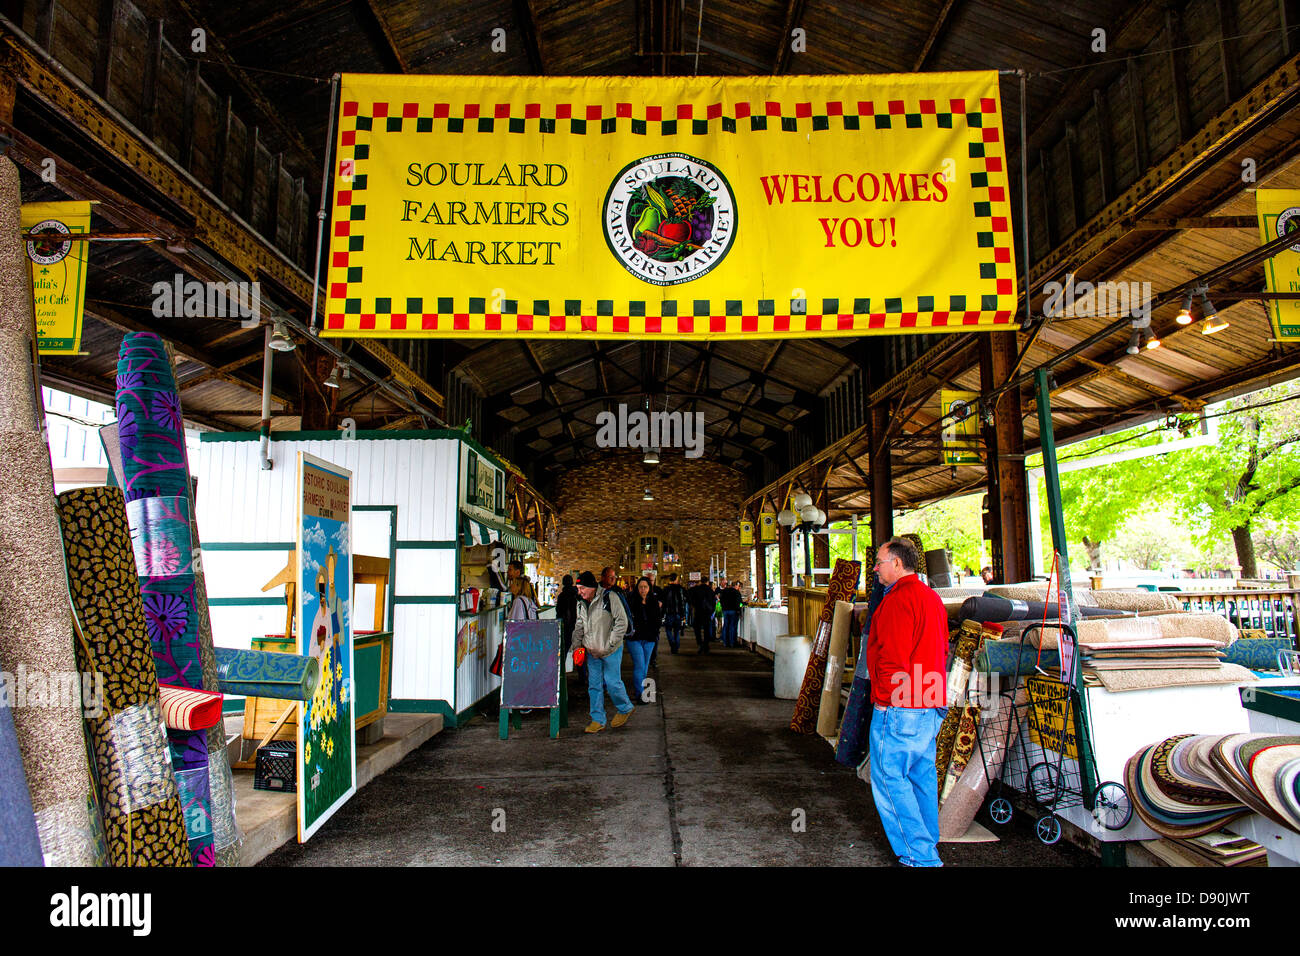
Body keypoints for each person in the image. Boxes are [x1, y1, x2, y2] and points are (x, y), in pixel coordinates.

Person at [866, 536, 950, 867]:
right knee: (921, 775)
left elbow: (892, 658)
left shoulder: (897, 601)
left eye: (880, 563)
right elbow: (942, 649)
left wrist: (884, 701)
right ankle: (929, 842)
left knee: (889, 779)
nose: (875, 569)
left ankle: (920, 856)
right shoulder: (931, 598)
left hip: (900, 705)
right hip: (928, 700)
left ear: (897, 564)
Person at [572, 570, 634, 733]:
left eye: (581, 588)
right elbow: (580, 625)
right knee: (594, 686)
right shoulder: (581, 603)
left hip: (610, 650)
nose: (579, 592)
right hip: (592, 652)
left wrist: (610, 644)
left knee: (612, 682)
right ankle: (597, 719)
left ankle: (625, 707)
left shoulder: (609, 597)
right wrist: (576, 646)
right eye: (578, 588)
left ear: (591, 587)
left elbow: (622, 622)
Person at [626, 576, 662, 704]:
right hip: (634, 638)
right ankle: (640, 694)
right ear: (637, 588)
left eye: (645, 587)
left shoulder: (654, 601)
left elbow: (658, 618)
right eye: (640, 587)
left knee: (645, 666)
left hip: (650, 638)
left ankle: (639, 691)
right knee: (640, 664)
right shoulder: (631, 600)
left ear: (649, 588)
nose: (643, 589)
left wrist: (655, 631)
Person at [556, 574, 583, 699]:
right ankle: (582, 675)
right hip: (577, 626)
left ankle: (560, 675)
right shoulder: (576, 595)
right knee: (578, 650)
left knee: (564, 650)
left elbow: (559, 612)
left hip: (565, 626)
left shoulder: (562, 596)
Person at [660, 572, 686, 654]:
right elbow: (683, 602)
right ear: (676, 579)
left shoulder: (666, 590)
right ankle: (676, 647)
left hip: (669, 613)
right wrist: (683, 614)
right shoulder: (681, 589)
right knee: (676, 631)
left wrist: (662, 614)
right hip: (678, 613)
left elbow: (663, 603)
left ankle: (672, 644)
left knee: (668, 630)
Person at [688, 576, 715, 652]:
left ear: (701, 581)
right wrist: (711, 611)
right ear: (707, 582)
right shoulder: (710, 590)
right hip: (707, 613)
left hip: (698, 612)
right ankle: (706, 645)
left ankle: (700, 643)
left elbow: (690, 597)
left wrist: (694, 605)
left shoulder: (696, 589)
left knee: (697, 629)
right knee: (707, 629)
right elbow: (713, 602)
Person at [718, 578, 743, 648]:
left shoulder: (723, 592)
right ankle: (732, 642)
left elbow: (721, 601)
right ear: (733, 585)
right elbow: (739, 602)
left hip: (725, 611)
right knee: (733, 626)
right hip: (733, 611)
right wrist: (738, 609)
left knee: (726, 626)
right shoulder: (736, 592)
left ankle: (726, 642)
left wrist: (723, 607)